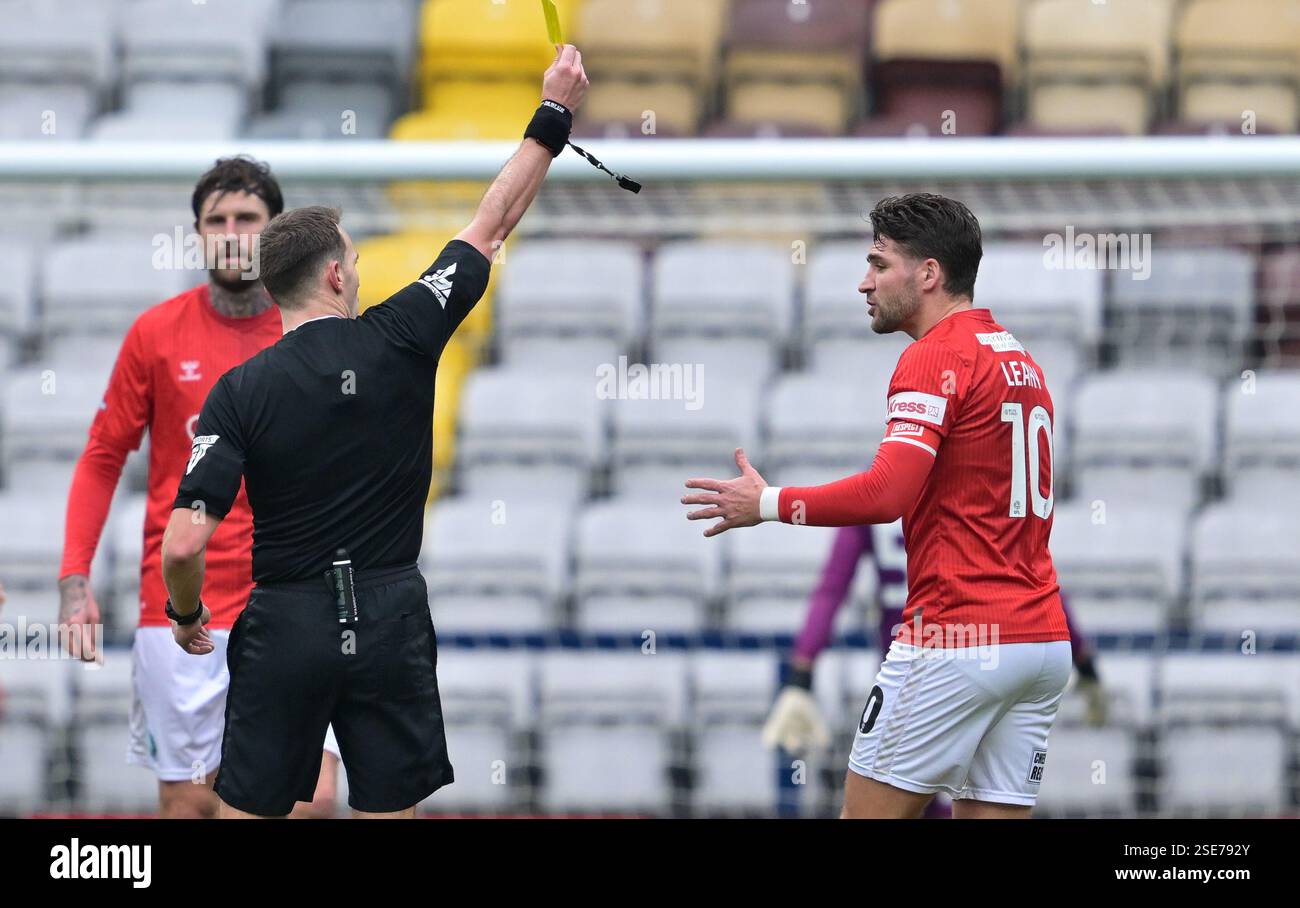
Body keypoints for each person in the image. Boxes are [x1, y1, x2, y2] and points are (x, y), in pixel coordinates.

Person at [159, 44, 590, 819]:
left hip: (284, 617)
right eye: (353, 260)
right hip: (387, 612)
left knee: (248, 810)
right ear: (333, 276)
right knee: (390, 810)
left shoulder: (239, 390)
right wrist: (553, 113)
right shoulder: (402, 334)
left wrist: (187, 618)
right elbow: (492, 224)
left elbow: (184, 543)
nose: (355, 270)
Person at [683, 192, 1073, 818]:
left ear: (928, 274)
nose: (863, 283)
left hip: (956, 637)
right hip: (1040, 643)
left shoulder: (935, 355)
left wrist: (768, 502)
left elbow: (888, 493)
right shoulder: (1023, 362)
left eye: (878, 264)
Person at [56, 157, 341, 818]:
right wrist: (75, 580)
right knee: (192, 801)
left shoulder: (317, 335)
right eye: (218, 221)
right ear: (198, 234)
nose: (233, 233)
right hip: (181, 610)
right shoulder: (156, 335)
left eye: (249, 219)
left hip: (296, 601)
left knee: (312, 798)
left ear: (275, 234)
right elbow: (103, 458)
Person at [761, 523, 1109, 818]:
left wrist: (802, 670)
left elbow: (831, 589)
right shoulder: (969, 490)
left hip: (918, 670)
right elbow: (1030, 579)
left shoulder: (880, 493)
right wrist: (1084, 660)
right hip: (981, 660)